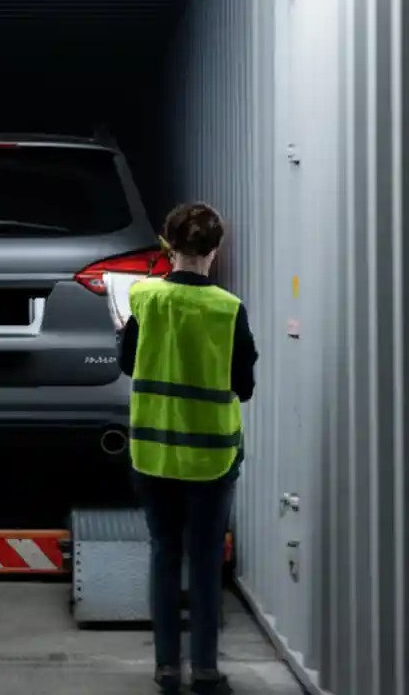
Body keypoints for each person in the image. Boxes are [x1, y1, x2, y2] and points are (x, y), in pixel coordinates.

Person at [116, 202, 257, 695]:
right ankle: (206, 671)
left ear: (167, 245)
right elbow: (244, 385)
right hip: (212, 457)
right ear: (214, 251)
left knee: (163, 551)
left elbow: (129, 364)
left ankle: (166, 668)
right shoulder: (227, 308)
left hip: (152, 452)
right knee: (202, 559)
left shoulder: (144, 300)